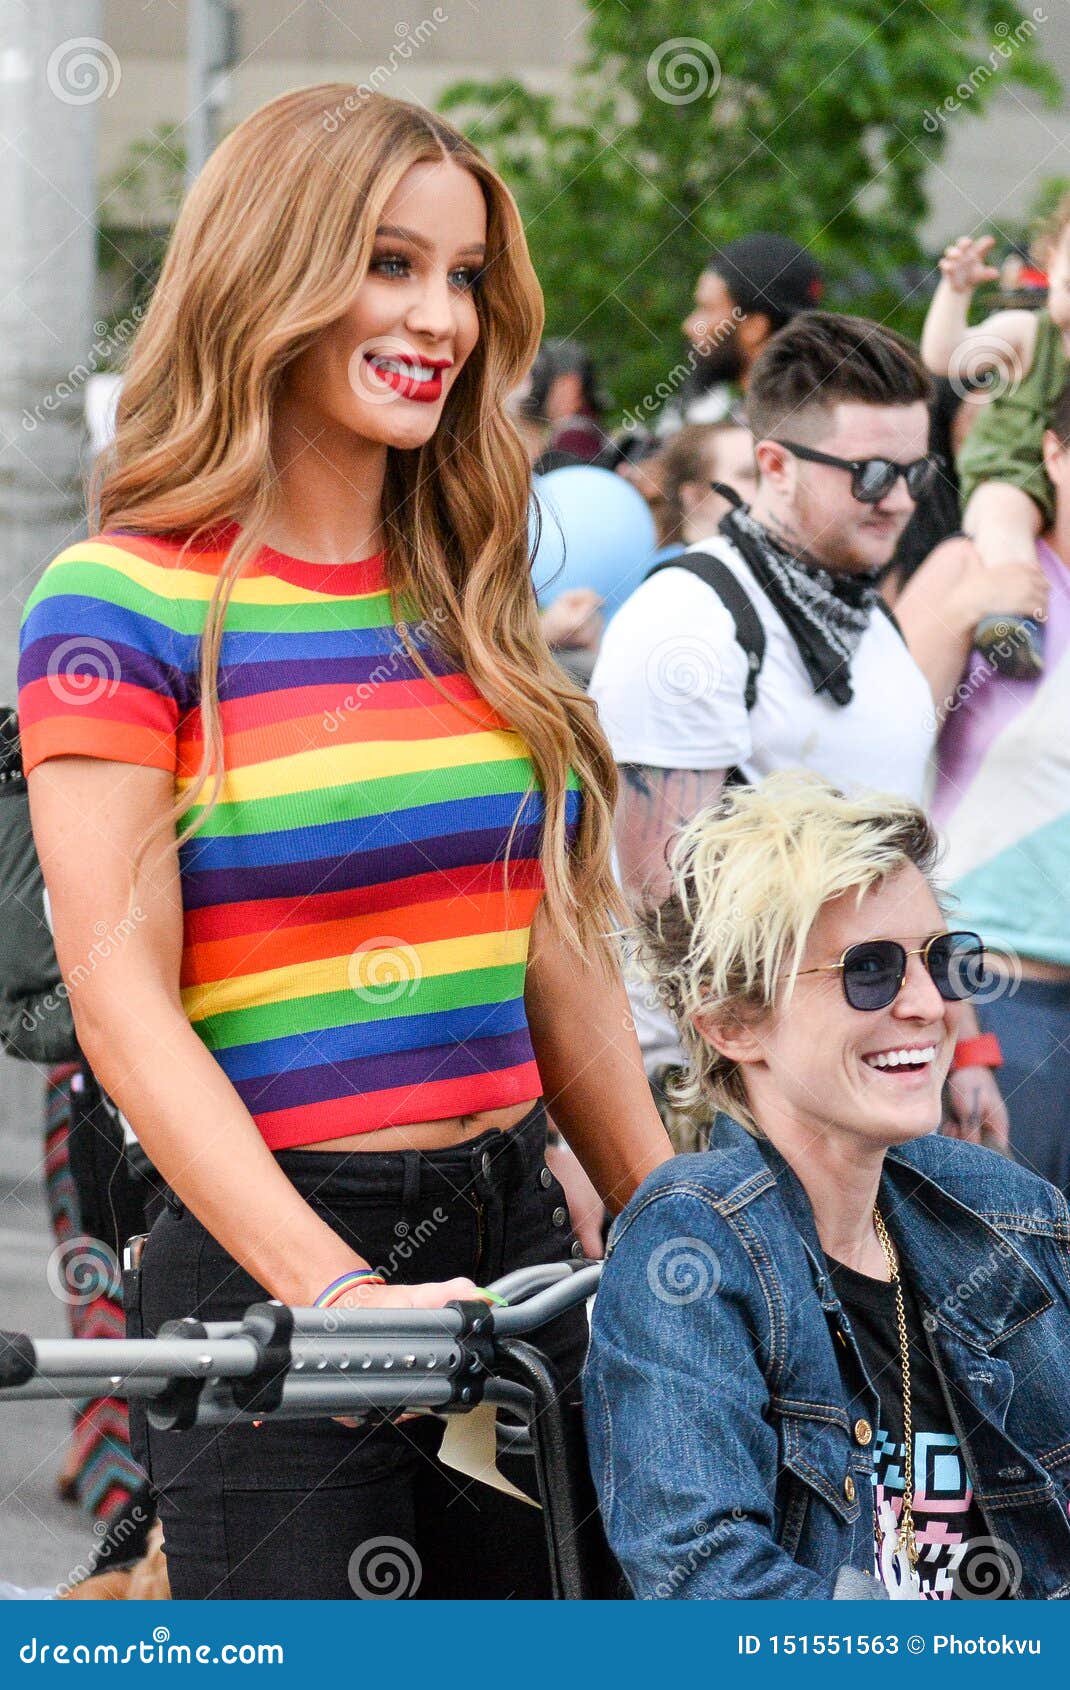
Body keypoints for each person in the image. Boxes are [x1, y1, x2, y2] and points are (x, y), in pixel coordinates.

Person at [17, 85, 671, 1601]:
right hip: (273, 1250)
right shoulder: (121, 602)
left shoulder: (466, 590)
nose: (438, 314)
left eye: (461, 276)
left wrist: (671, 1217)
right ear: (272, 274)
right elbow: (121, 1001)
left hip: (516, 1240)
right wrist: (330, 1286)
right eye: (388, 261)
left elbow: (549, 951)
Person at [585, 771, 1070, 1600]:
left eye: (941, 960)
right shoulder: (693, 1244)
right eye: (870, 971)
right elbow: (707, 1585)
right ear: (731, 1022)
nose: (927, 1005)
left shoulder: (1005, 1210)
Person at [589, 310, 1008, 1148]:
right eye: (871, 472)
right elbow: (656, 920)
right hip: (733, 1108)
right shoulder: (692, 623)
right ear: (773, 464)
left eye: (917, 469)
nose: (898, 499)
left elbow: (905, 876)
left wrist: (964, 1052)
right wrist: (655, 1145)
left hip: (869, 1085)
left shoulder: (868, 616)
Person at [930, 377, 1070, 1193]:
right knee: (1003, 1287)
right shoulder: (985, 574)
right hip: (1000, 992)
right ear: (1050, 450)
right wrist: (961, 1027)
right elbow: (877, 758)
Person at [921, 206, 1070, 677]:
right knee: (1006, 525)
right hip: (1008, 470)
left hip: (1061, 487)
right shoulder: (1027, 333)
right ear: (1050, 270)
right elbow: (946, 356)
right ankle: (1012, 622)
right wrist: (955, 291)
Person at [656, 232, 824, 436]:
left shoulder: (775, 439)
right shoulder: (808, 416)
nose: (689, 325)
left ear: (754, 327)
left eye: (706, 308)